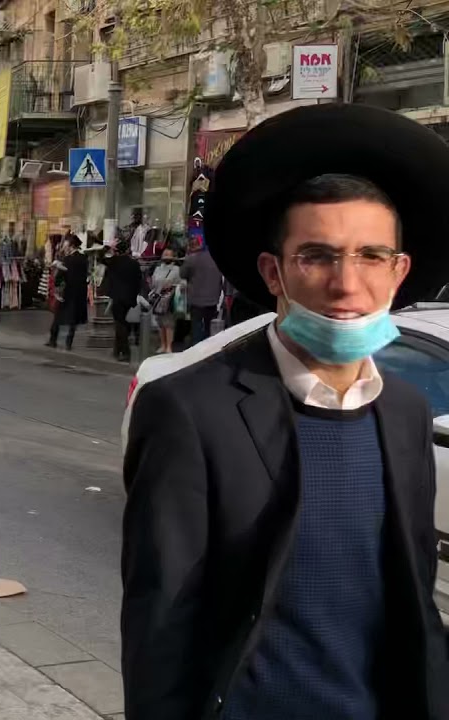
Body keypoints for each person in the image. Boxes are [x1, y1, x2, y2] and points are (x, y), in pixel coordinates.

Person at [122, 104, 449, 720]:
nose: (347, 284)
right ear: (274, 271)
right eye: (318, 256)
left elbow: (413, 598)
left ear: (399, 272)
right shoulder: (189, 412)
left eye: (372, 256)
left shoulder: (405, 413)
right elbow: (160, 625)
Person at [45, 235, 89, 350]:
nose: (64, 246)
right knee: (74, 318)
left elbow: (61, 276)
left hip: (67, 291)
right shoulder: (83, 258)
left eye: (66, 244)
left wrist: (57, 287)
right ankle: (69, 342)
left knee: (58, 316)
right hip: (79, 291)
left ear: (71, 245)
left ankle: (53, 340)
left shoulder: (67, 259)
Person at [102, 240, 143, 362]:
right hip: (129, 297)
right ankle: (117, 349)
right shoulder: (134, 264)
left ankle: (125, 351)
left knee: (120, 323)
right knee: (122, 323)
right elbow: (139, 282)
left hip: (117, 297)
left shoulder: (114, 262)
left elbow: (101, 258)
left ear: (116, 251)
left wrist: (108, 247)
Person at [181, 237, 222, 345]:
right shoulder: (216, 259)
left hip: (196, 299)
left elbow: (182, 274)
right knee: (209, 328)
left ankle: (197, 351)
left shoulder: (192, 258)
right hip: (212, 299)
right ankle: (208, 351)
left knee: (196, 328)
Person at [148, 247, 182, 353]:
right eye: (165, 254)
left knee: (169, 323)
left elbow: (182, 283)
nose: (166, 256)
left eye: (168, 254)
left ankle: (169, 346)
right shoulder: (157, 269)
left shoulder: (176, 269)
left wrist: (173, 286)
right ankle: (163, 344)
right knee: (160, 323)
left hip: (169, 299)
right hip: (158, 299)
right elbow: (153, 283)